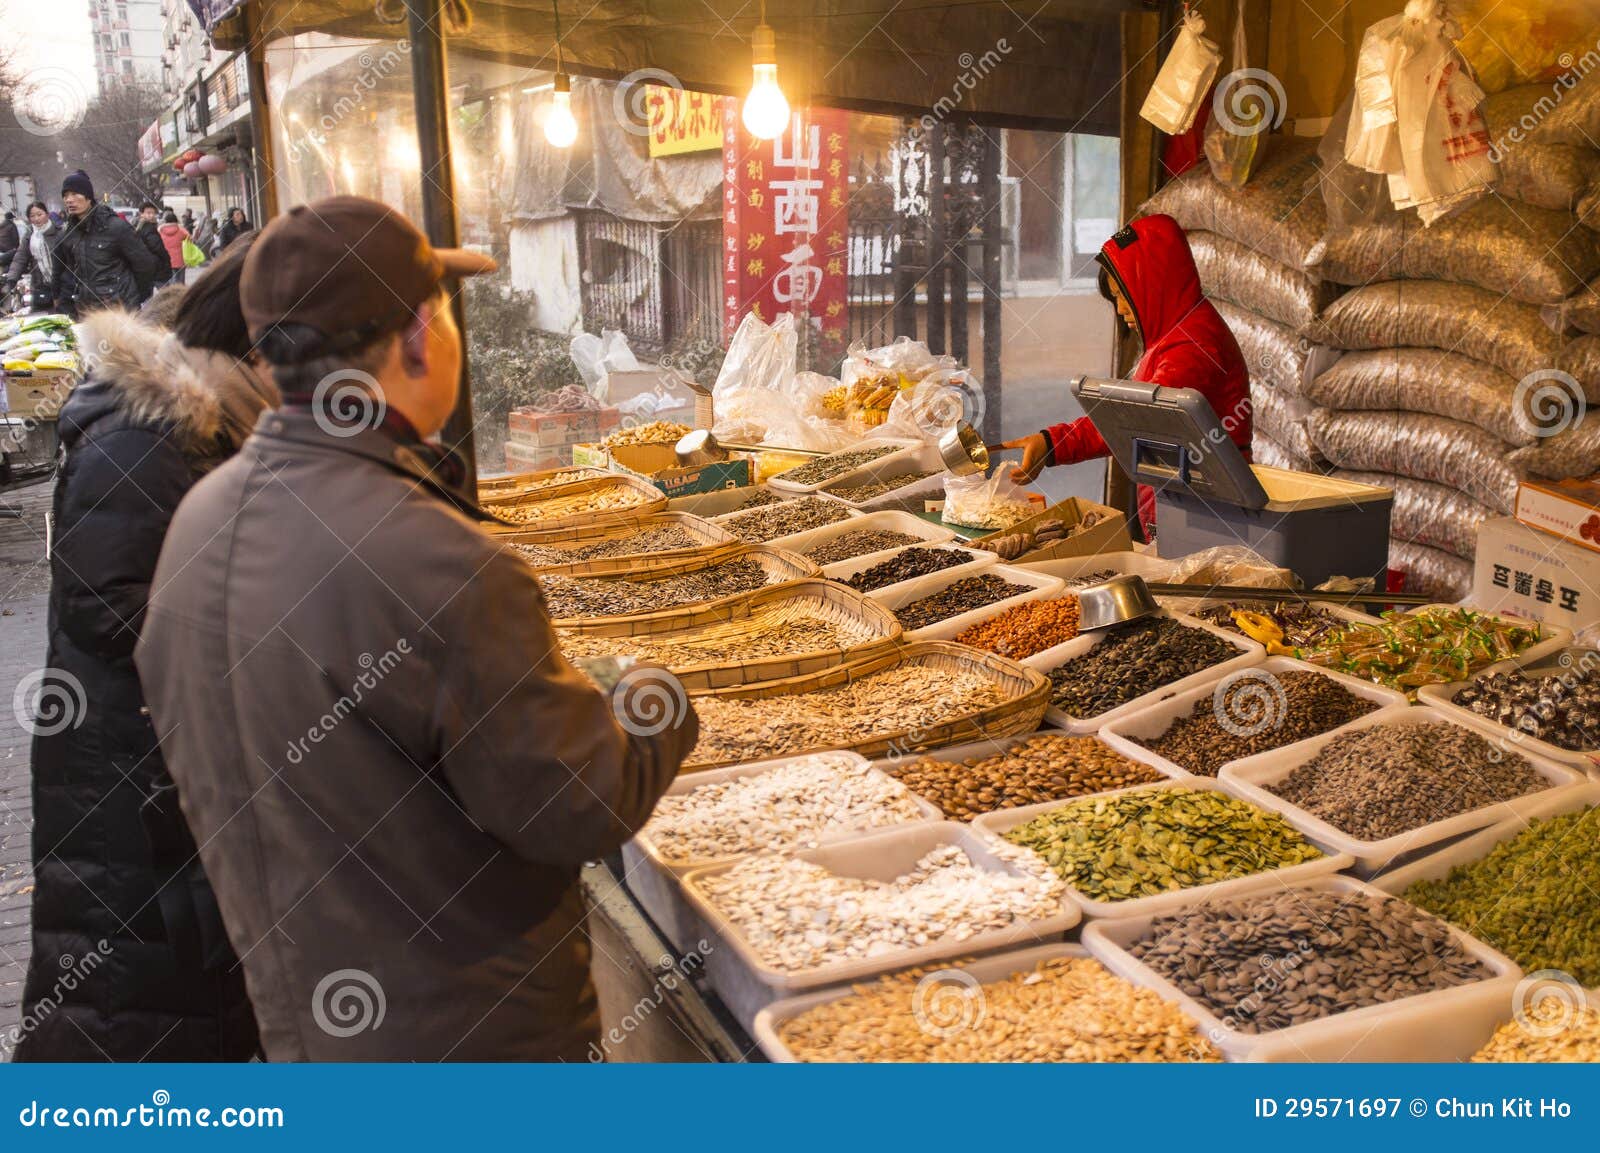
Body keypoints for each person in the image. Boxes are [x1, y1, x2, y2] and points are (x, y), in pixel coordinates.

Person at [135, 195, 698, 1061]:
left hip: (308, 1031)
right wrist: (652, 693)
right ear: (417, 339)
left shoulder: (197, 522)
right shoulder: (439, 561)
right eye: (444, 310)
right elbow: (575, 805)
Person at [14, 234, 274, 1062]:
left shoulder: (201, 428)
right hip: (142, 824)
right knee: (130, 1025)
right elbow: (114, 611)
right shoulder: (150, 440)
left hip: (155, 820)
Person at [1002, 213, 1250, 537]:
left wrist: (1052, 444)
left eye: (1122, 296)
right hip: (1188, 509)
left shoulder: (1192, 347)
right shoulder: (1175, 334)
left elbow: (1133, 419)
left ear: (1154, 284)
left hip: (1204, 518)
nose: (1120, 310)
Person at [53, 171, 158, 314]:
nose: (69, 200)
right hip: (88, 312)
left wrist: (134, 298)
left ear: (88, 197)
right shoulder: (69, 233)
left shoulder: (116, 227)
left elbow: (145, 264)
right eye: (65, 195)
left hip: (121, 310)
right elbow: (69, 274)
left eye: (75, 194)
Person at [4, 202, 62, 312]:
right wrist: (12, 278)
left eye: (39, 214)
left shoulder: (59, 231)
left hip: (62, 284)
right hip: (40, 285)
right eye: (32, 216)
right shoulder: (29, 235)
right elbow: (20, 258)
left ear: (47, 214)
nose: (36, 219)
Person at [134, 201, 170, 294]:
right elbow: (157, 247)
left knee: (146, 296)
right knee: (167, 295)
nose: (151, 215)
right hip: (156, 266)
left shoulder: (138, 226)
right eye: (148, 213)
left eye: (153, 213)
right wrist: (166, 258)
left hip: (144, 267)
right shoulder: (149, 228)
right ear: (141, 214)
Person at [157, 208, 189, 284]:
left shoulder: (160, 231)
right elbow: (189, 238)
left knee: (170, 281)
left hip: (166, 261)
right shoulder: (180, 230)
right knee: (180, 282)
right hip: (180, 260)